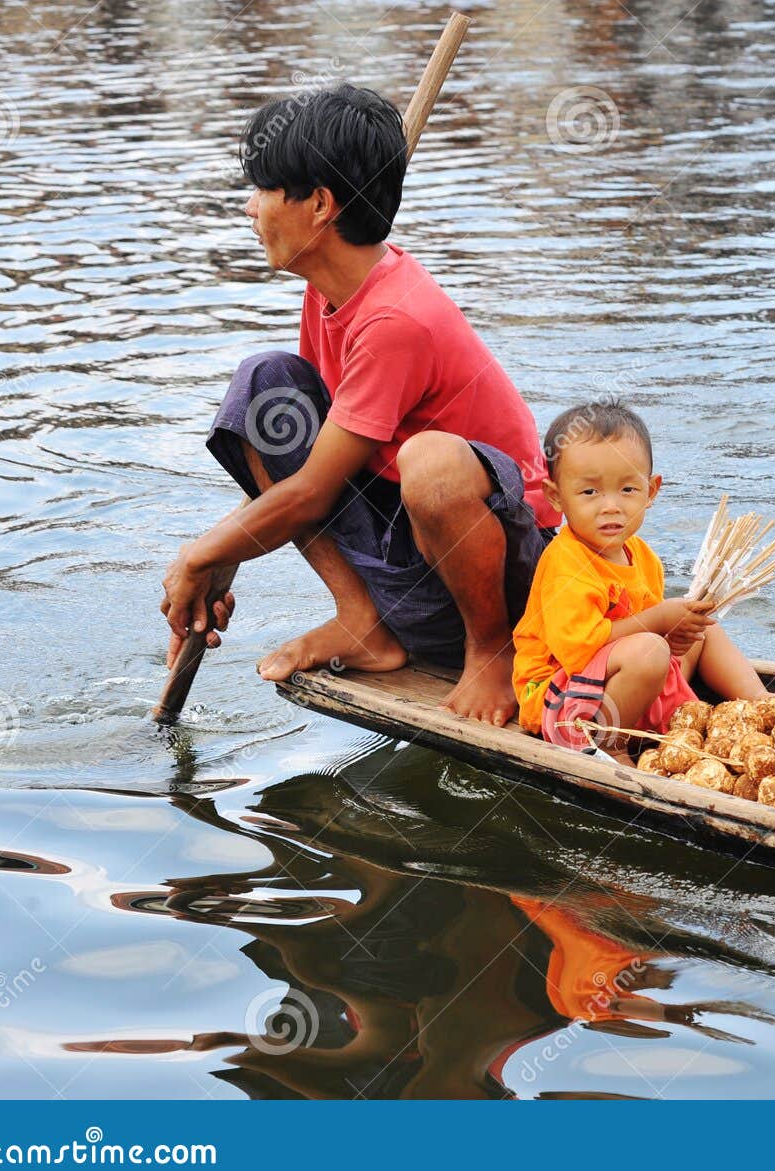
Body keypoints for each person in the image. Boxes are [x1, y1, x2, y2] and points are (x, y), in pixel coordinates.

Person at [160, 83, 558, 725]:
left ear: (319, 205)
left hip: (510, 584)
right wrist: (223, 554)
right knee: (267, 385)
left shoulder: (398, 319)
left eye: (264, 190)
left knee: (431, 462)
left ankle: (491, 654)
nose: (249, 209)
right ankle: (365, 622)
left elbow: (314, 493)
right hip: (413, 568)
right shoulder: (327, 292)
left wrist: (197, 555)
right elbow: (312, 462)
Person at [511, 400, 771, 760]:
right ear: (555, 496)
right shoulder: (565, 561)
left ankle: (760, 701)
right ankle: (609, 746)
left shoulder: (643, 556)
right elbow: (580, 652)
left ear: (651, 491)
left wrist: (675, 629)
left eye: (628, 490)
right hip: (562, 701)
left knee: (702, 628)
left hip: (617, 682)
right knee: (651, 648)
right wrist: (660, 621)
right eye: (589, 492)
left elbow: (646, 637)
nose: (611, 506)